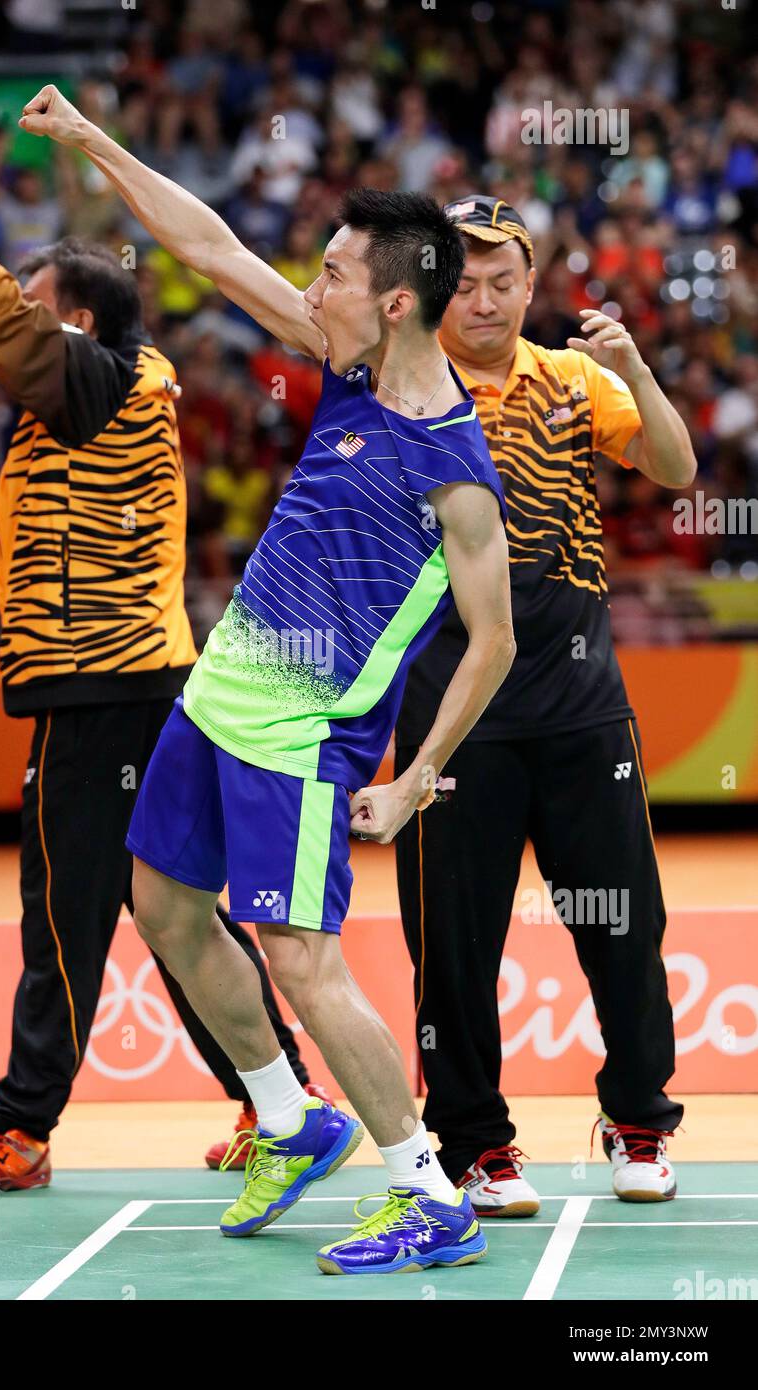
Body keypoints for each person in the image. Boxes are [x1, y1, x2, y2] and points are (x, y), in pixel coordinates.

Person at [19, 84, 514, 1276]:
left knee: (298, 951)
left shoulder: (452, 466)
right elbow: (211, 245)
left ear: (395, 298)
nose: (316, 284)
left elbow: (488, 641)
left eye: (337, 271)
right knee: (166, 906)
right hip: (218, 696)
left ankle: (424, 1187)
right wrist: (94, 142)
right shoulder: (343, 365)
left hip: (304, 735)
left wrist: (412, 781)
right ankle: (291, 1123)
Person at [0, 122, 329, 1195]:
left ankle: (17, 1127)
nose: (9, 308)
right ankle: (282, 1106)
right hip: (138, 684)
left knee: (62, 912)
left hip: (103, 692)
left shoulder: (95, 381)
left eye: (29, 294)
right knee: (173, 915)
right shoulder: (106, 392)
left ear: (70, 319)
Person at [395, 196, 696, 1216]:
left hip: (578, 708)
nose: (481, 299)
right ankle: (475, 1144)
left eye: (500, 280)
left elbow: (674, 466)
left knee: (624, 927)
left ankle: (637, 1117)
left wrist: (637, 371)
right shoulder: (397, 386)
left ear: (530, 287)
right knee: (453, 946)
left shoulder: (569, 378)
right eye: (462, 281)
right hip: (448, 716)